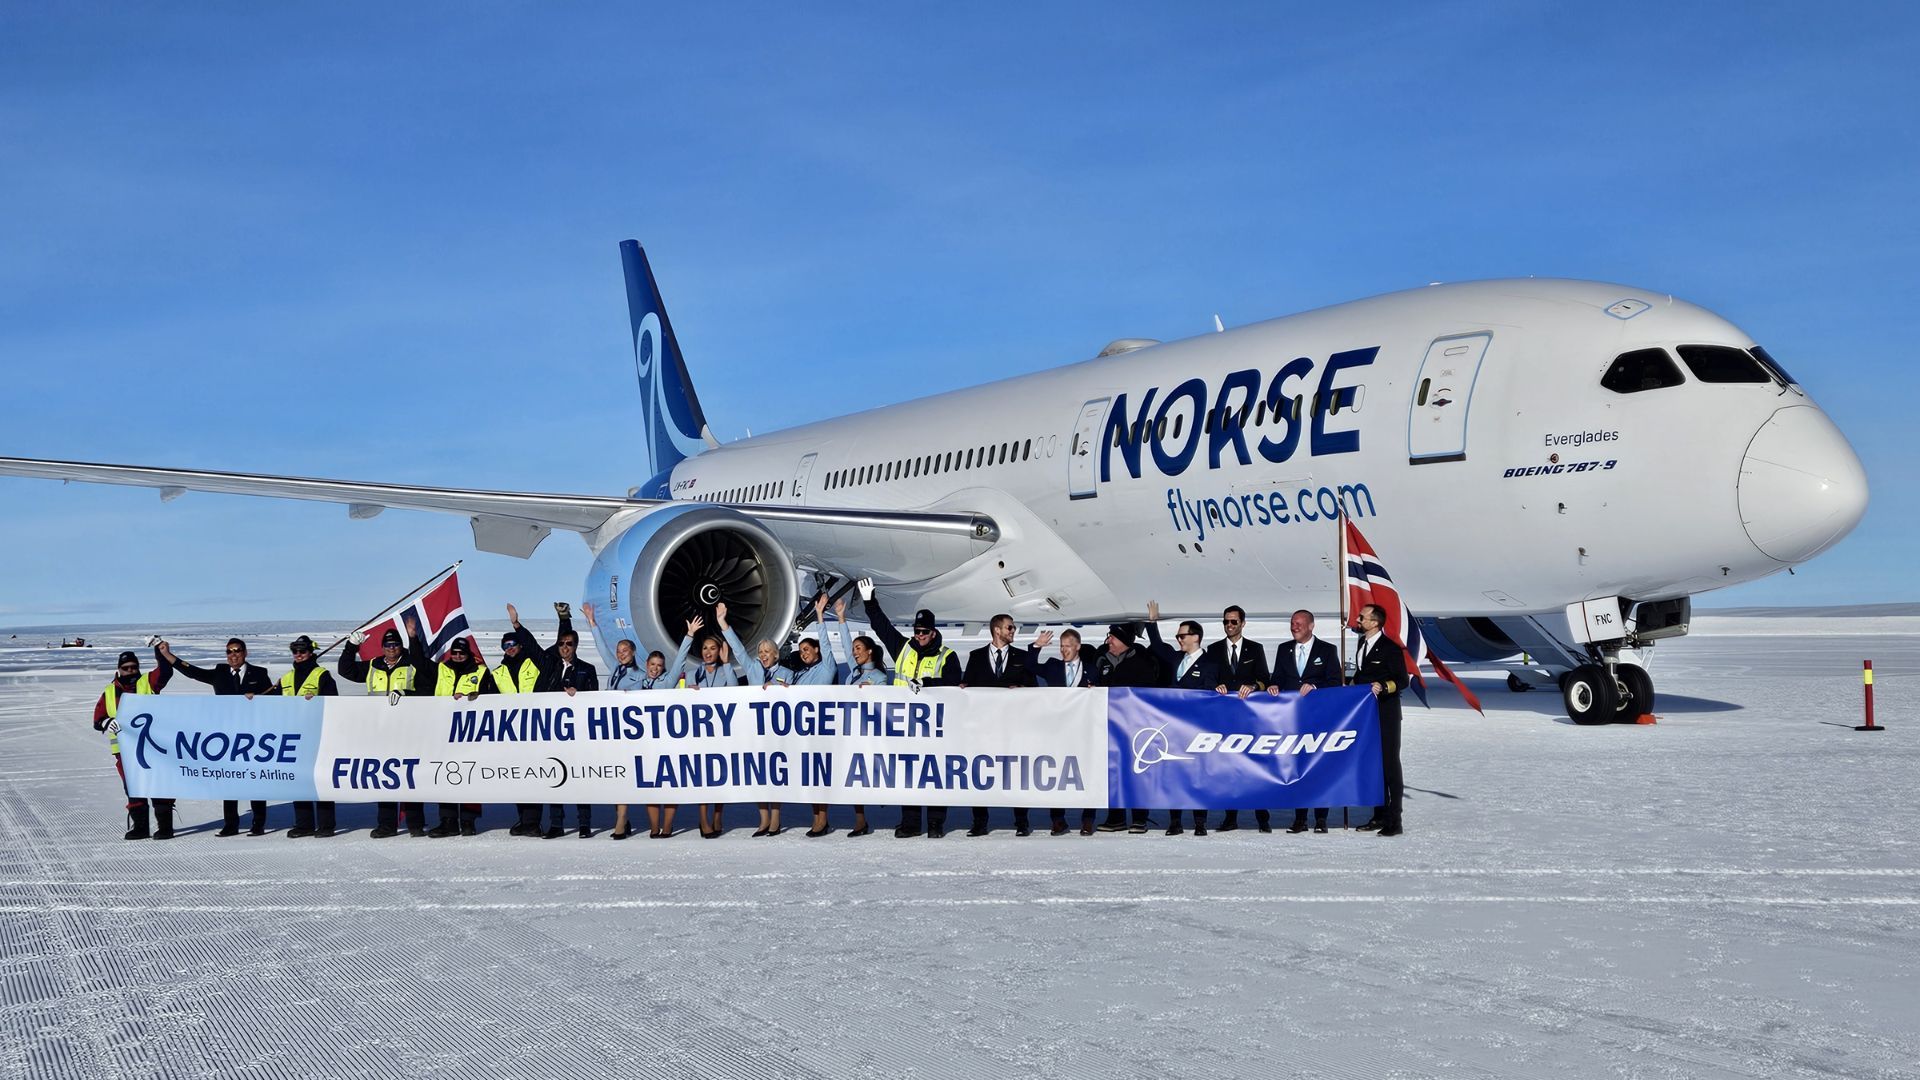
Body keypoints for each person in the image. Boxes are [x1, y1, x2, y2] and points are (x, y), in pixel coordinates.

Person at [858, 577, 961, 838]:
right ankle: (911, 823)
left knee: (935, 776)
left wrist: (927, 682)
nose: (919, 636)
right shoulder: (904, 648)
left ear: (933, 633)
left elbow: (953, 682)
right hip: (906, 725)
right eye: (916, 631)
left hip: (936, 727)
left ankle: (936, 824)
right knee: (910, 775)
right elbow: (881, 627)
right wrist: (870, 600)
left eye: (924, 632)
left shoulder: (946, 655)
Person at [159, 637, 272, 836]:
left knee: (255, 780)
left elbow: (275, 698)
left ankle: (258, 823)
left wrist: (259, 698)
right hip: (227, 736)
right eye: (229, 651)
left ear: (245, 653)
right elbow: (193, 672)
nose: (233, 655)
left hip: (253, 735)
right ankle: (231, 824)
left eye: (237, 650)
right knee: (229, 780)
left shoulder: (259, 673)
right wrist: (168, 655)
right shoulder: (220, 673)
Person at [408, 614, 496, 836]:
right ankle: (448, 820)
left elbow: (495, 698)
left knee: (469, 775)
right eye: (454, 652)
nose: (457, 656)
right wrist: (412, 638)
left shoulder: (482, 672)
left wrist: (477, 695)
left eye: (461, 653)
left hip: (470, 733)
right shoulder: (441, 669)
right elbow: (418, 662)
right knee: (445, 774)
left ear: (468, 654)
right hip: (442, 731)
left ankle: (468, 821)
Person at [338, 627, 428, 837]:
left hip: (407, 729)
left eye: (395, 644)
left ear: (401, 646)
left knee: (409, 776)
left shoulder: (412, 664)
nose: (392, 648)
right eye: (388, 645)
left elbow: (428, 689)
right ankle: (387, 825)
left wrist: (406, 693)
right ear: (382, 647)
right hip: (380, 729)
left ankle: (415, 824)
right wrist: (351, 646)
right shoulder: (373, 665)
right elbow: (346, 670)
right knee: (385, 777)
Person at [525, 607, 597, 838]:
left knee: (579, 777)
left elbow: (595, 699)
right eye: (561, 644)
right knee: (554, 775)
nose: (565, 648)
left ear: (576, 646)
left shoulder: (587, 669)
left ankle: (584, 823)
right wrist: (517, 625)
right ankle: (556, 823)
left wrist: (581, 694)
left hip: (577, 735)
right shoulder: (549, 665)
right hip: (551, 734)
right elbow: (532, 647)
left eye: (569, 644)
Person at [669, 615, 743, 838]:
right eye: (705, 648)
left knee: (719, 778)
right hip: (698, 736)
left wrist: (727, 662)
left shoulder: (725, 672)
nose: (708, 652)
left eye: (713, 648)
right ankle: (703, 819)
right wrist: (689, 636)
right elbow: (676, 686)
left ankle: (718, 815)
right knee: (702, 779)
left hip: (720, 736)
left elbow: (734, 689)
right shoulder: (692, 675)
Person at [1270, 608, 1342, 834]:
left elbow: (1334, 683)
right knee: (1297, 767)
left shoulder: (1328, 650)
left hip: (1318, 719)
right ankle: (1300, 818)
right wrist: (1274, 686)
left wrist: (1315, 687)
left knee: (1319, 767)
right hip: (1292, 721)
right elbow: (1278, 678)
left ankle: (1321, 818)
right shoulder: (1284, 649)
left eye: (1299, 623)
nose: (1295, 627)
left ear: (1311, 626)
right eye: (1292, 623)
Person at [962, 613, 1034, 836]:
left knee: (1016, 772)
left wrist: (1022, 690)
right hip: (984, 727)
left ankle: (1022, 821)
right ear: (997, 630)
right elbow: (969, 687)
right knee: (980, 771)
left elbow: (1033, 688)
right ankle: (980, 822)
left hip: (1013, 727)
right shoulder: (975, 657)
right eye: (1010, 627)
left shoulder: (1021, 656)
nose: (1013, 631)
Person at [93, 643, 174, 839]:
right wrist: (106, 722)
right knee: (133, 787)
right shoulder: (110, 691)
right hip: (125, 751)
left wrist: (160, 651)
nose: (130, 671)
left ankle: (165, 827)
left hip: (152, 747)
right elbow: (97, 718)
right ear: (119, 669)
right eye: (126, 668)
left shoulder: (148, 682)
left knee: (158, 785)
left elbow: (165, 672)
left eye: (134, 667)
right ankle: (140, 827)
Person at [263, 635, 340, 837]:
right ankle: (304, 824)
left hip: (317, 735)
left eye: (302, 651)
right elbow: (272, 700)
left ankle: (326, 825)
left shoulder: (322, 675)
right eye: (295, 651)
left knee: (320, 780)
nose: (298, 655)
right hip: (293, 737)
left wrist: (318, 700)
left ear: (311, 652)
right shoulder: (286, 678)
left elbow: (334, 702)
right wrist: (253, 697)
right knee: (299, 781)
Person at [824, 597, 889, 837]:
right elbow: (843, 643)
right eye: (854, 650)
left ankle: (869, 812)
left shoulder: (880, 677)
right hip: (848, 732)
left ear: (869, 651)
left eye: (858, 649)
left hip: (866, 735)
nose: (854, 653)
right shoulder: (853, 673)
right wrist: (841, 618)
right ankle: (860, 820)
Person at [1026, 628, 1098, 835]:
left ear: (1078, 647)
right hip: (1057, 730)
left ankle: (1087, 819)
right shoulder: (1052, 666)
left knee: (1087, 772)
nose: (1063, 650)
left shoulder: (1092, 669)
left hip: (1084, 730)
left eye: (1067, 646)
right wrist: (1037, 646)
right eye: (1061, 646)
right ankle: (1057, 819)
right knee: (1057, 773)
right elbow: (1030, 666)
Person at [1206, 605, 1270, 833]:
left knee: (1254, 764)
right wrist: (1215, 686)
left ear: (1243, 623)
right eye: (1226, 622)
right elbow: (1207, 680)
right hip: (1224, 718)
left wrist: (1254, 686)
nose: (1229, 626)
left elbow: (1264, 679)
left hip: (1250, 718)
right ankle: (1230, 816)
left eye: (1233, 622)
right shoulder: (1212, 650)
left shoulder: (1255, 649)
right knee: (1228, 767)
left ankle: (1262, 816)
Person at [1090, 621, 1158, 833]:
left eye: (1113, 637)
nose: (1109, 640)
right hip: (1108, 725)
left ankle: (1139, 817)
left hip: (1135, 725)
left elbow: (1150, 689)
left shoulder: (1143, 660)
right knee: (1113, 771)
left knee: (1137, 770)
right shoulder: (1101, 659)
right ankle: (1116, 816)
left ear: (1124, 641)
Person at [1351, 603, 1409, 837]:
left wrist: (1384, 686)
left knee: (1389, 766)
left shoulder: (1390, 648)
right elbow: (1361, 675)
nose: (1357, 619)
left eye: (1362, 617)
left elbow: (1402, 680)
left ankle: (1394, 820)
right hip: (1366, 715)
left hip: (1386, 713)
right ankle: (1379, 814)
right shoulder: (1361, 643)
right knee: (1373, 766)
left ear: (1374, 622)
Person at [496, 603, 551, 838]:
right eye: (506, 646)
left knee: (533, 774)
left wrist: (517, 625)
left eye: (513, 644)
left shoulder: (534, 662)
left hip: (534, 728)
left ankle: (533, 822)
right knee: (517, 775)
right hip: (511, 732)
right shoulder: (498, 672)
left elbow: (533, 647)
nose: (510, 649)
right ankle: (523, 819)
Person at [1161, 619, 1219, 836]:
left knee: (1197, 775)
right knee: (1174, 773)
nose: (1179, 639)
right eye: (1177, 636)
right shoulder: (1177, 658)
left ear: (1196, 637)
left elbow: (1209, 693)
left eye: (1182, 636)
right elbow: (1158, 647)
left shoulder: (1210, 663)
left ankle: (1200, 822)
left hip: (1196, 728)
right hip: (1174, 727)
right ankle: (1175, 821)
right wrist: (1151, 622)